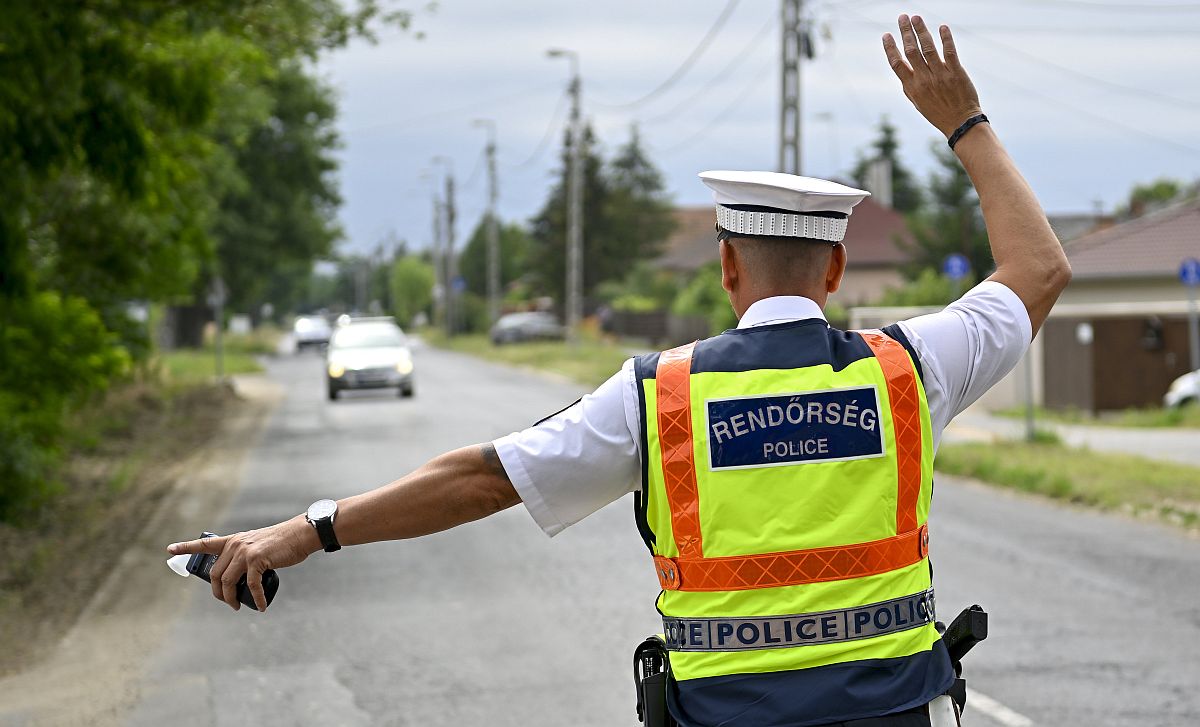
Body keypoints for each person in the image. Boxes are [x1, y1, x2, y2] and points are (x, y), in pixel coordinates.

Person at [168, 14, 1070, 727]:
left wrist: (308, 530)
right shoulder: (910, 370)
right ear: (835, 271)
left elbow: (483, 479)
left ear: (726, 268)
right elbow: (1038, 268)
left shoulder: (660, 397)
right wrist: (965, 122)